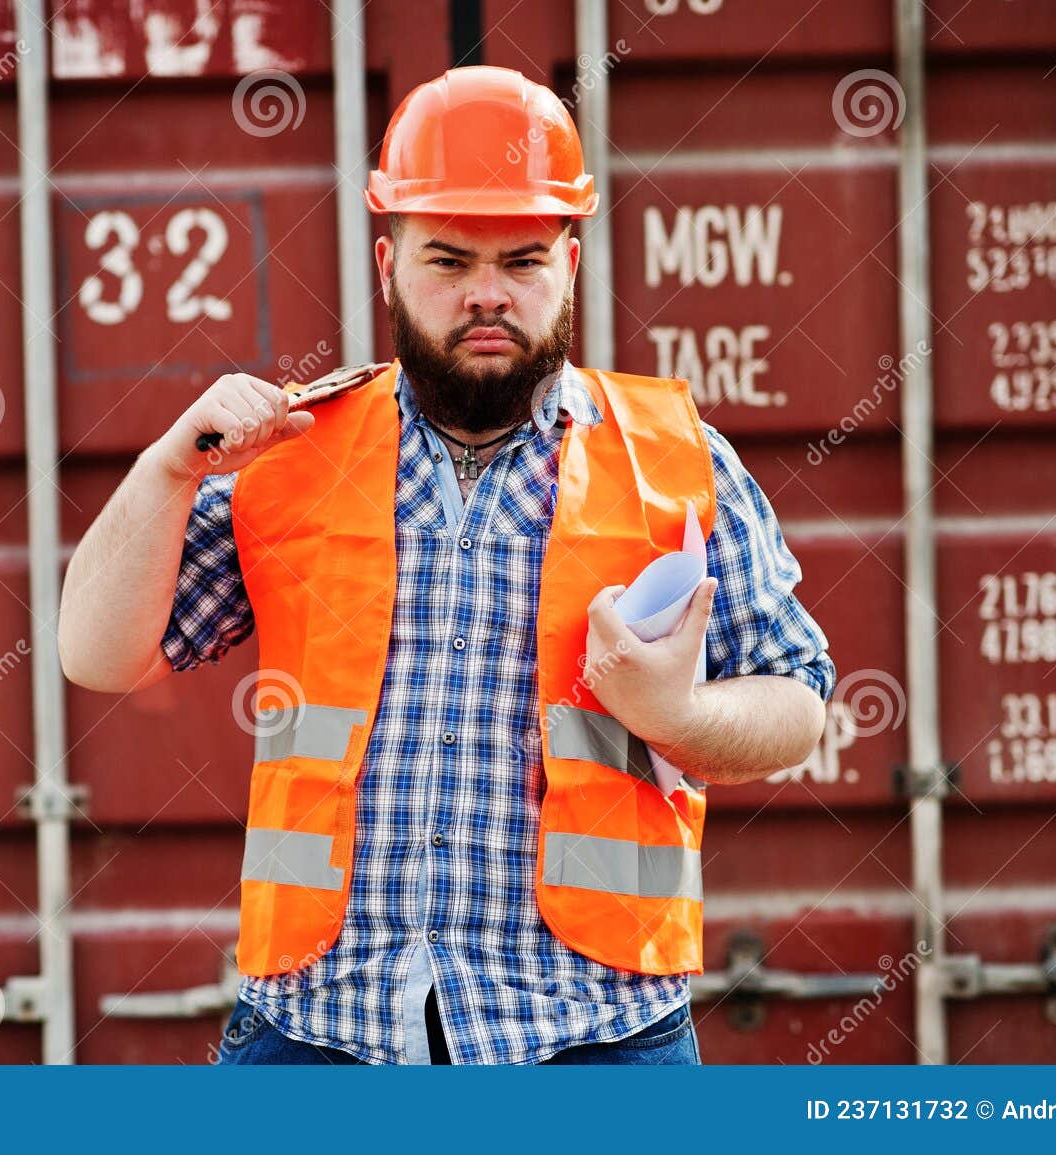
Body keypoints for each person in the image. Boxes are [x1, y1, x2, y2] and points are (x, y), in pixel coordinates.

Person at [59, 65, 835, 1065]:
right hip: (316, 1036)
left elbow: (801, 701)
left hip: (594, 1041)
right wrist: (170, 469)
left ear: (572, 259)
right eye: (447, 260)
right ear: (387, 264)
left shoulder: (676, 461)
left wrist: (678, 719)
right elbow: (95, 653)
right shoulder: (292, 453)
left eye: (520, 260)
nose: (485, 295)